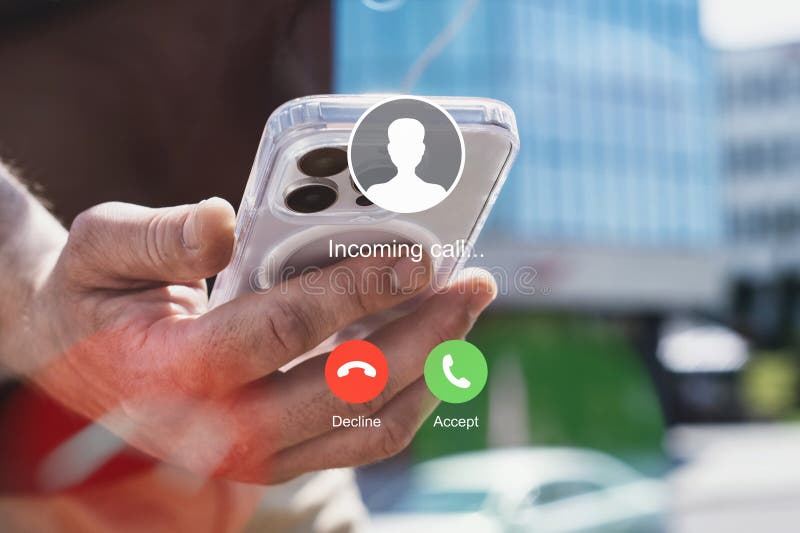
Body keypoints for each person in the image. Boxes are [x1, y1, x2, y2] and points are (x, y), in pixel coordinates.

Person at [366, 118, 448, 213]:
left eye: (411, 145)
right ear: (390, 149)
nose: (405, 152)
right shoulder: (375, 192)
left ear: (421, 149)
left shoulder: (436, 192)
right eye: (400, 145)